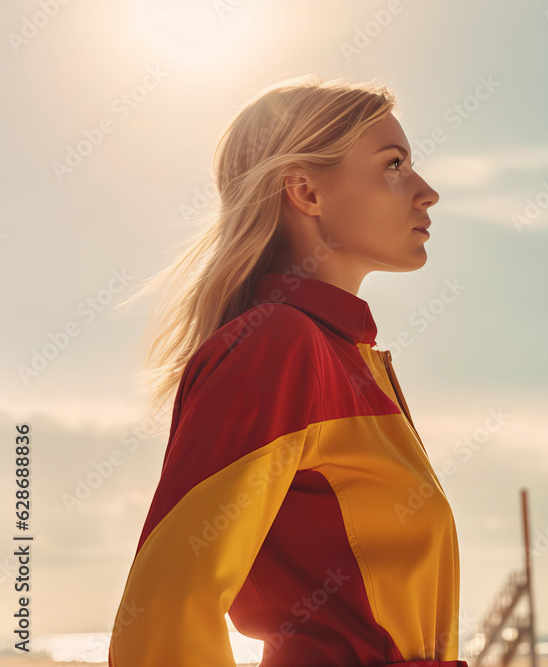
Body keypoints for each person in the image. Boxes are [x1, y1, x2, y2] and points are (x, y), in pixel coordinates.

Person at [108, 75, 463, 667]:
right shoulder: (278, 344)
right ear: (305, 191)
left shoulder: (343, 356)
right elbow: (166, 609)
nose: (426, 192)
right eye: (394, 164)